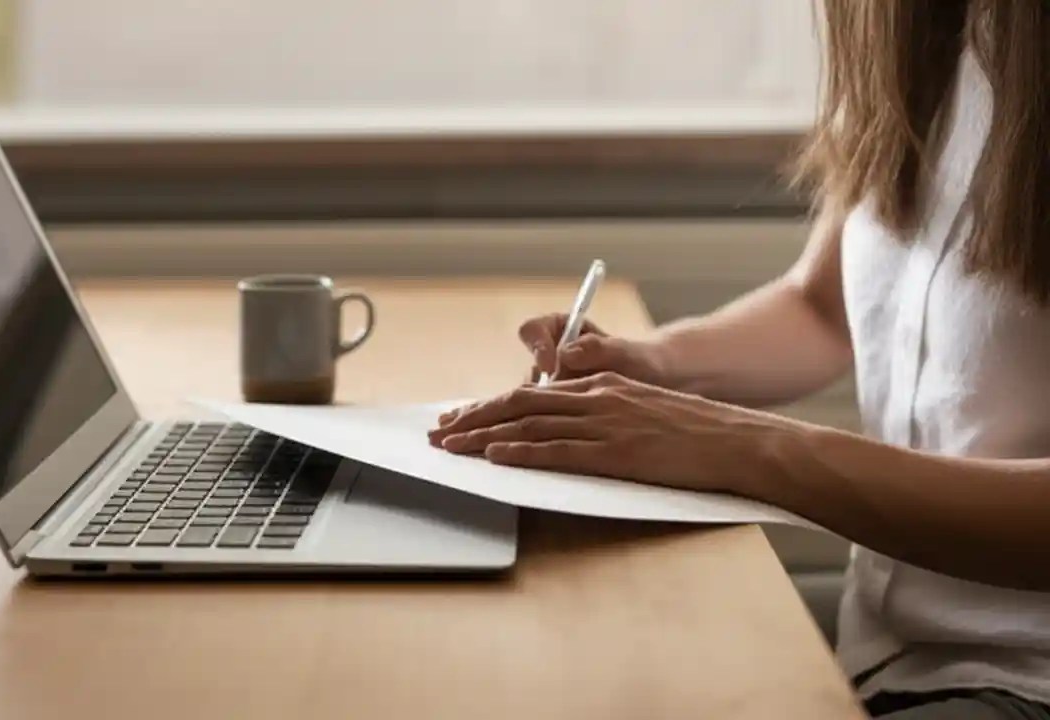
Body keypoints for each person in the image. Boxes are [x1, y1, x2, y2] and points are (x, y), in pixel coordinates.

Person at [427, 2, 1050, 718]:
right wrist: (647, 363)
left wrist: (744, 449)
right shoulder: (928, 31)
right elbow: (821, 309)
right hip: (889, 647)